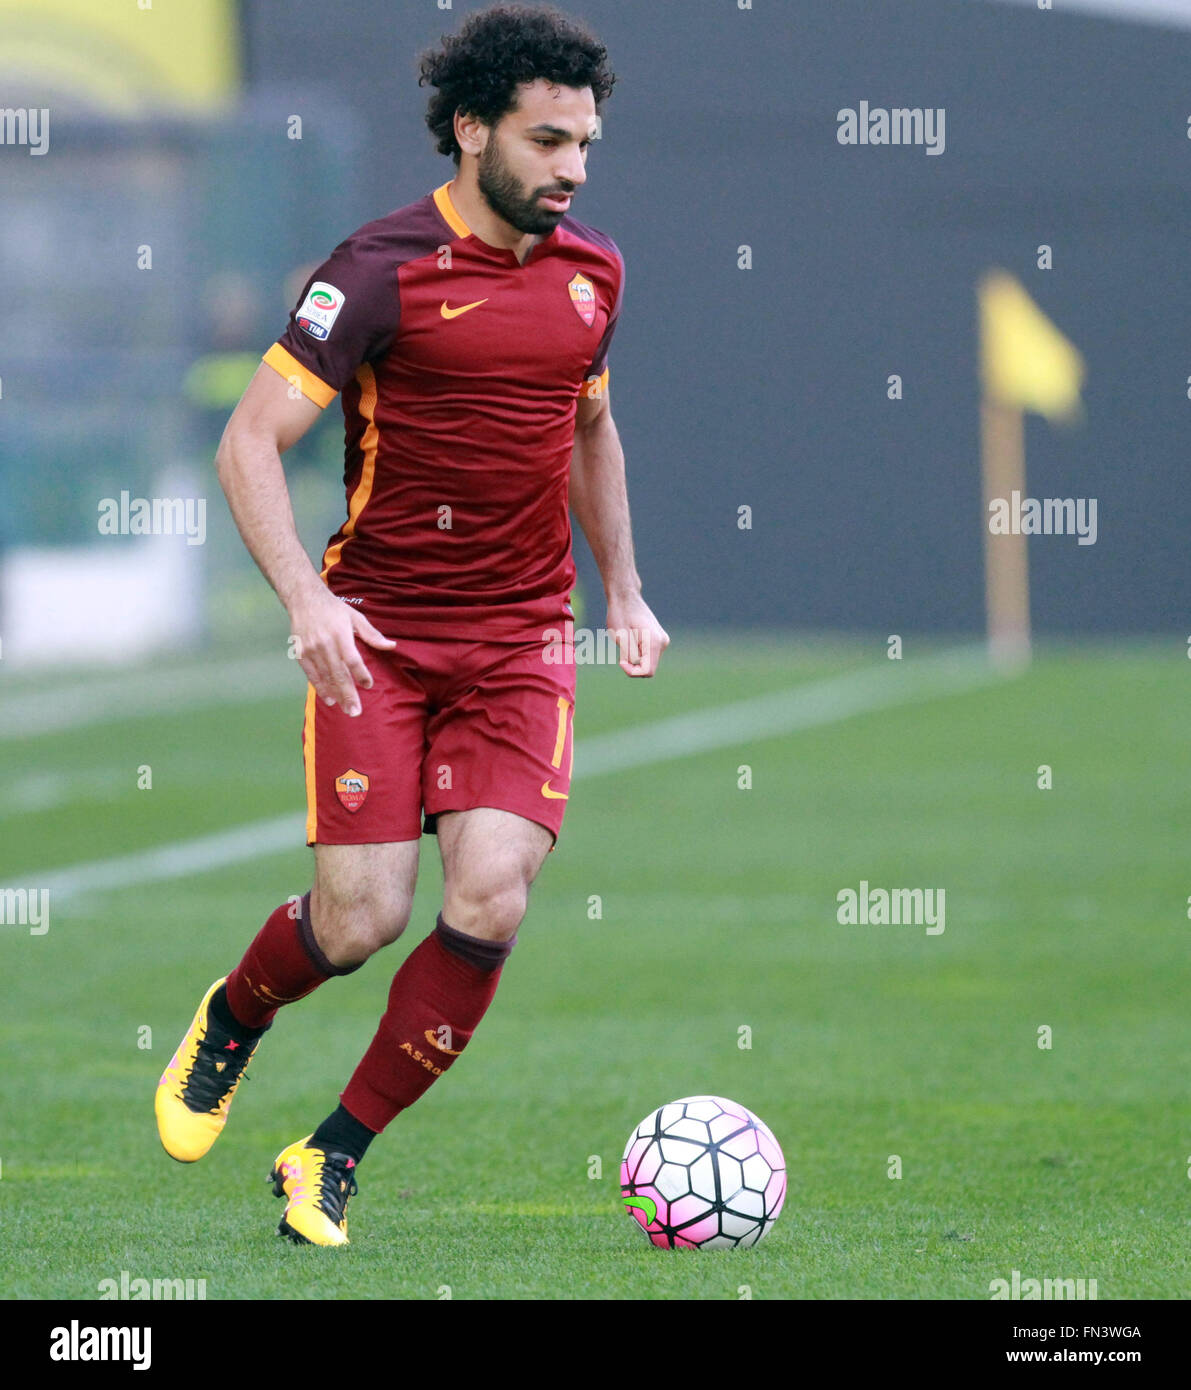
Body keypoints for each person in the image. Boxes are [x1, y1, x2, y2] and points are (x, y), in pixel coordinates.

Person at [155, 3, 668, 1246]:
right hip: (377, 636)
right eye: (549, 141)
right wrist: (308, 600)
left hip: (523, 638)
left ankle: (328, 1155)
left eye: (587, 144)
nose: (573, 169)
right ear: (469, 129)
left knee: (492, 896)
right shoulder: (374, 270)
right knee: (361, 919)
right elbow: (248, 443)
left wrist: (628, 589)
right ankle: (235, 1012)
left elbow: (588, 430)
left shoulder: (592, 271)